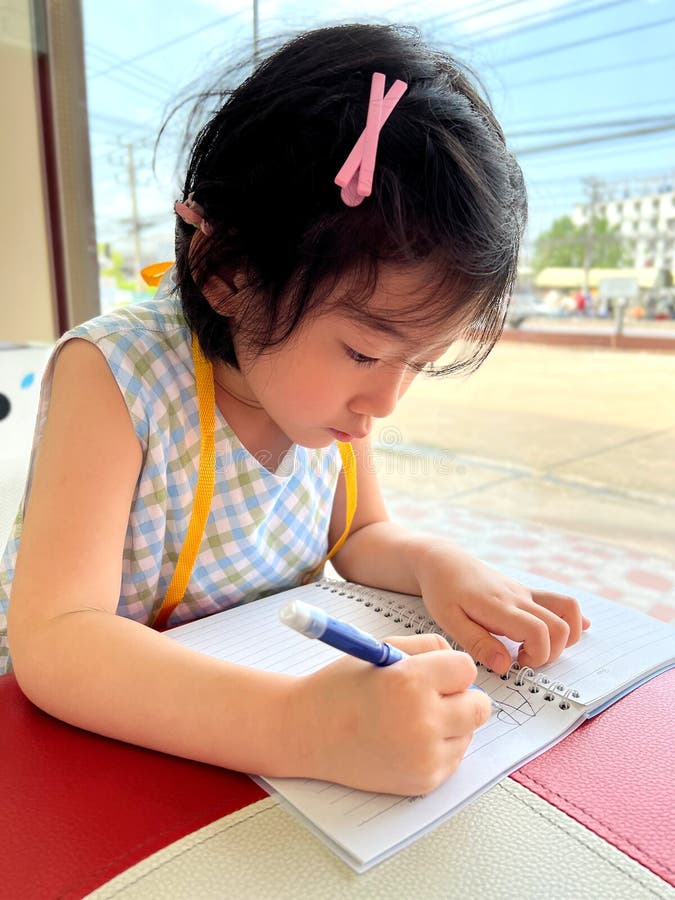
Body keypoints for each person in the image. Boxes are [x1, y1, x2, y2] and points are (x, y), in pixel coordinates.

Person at [1, 24, 588, 796]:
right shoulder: (116, 376)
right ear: (227, 271)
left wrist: (441, 567)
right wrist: (307, 729)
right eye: (362, 352)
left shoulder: (327, 405)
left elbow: (360, 532)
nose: (383, 401)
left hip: (245, 741)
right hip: (101, 754)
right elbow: (57, 641)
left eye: (418, 364)